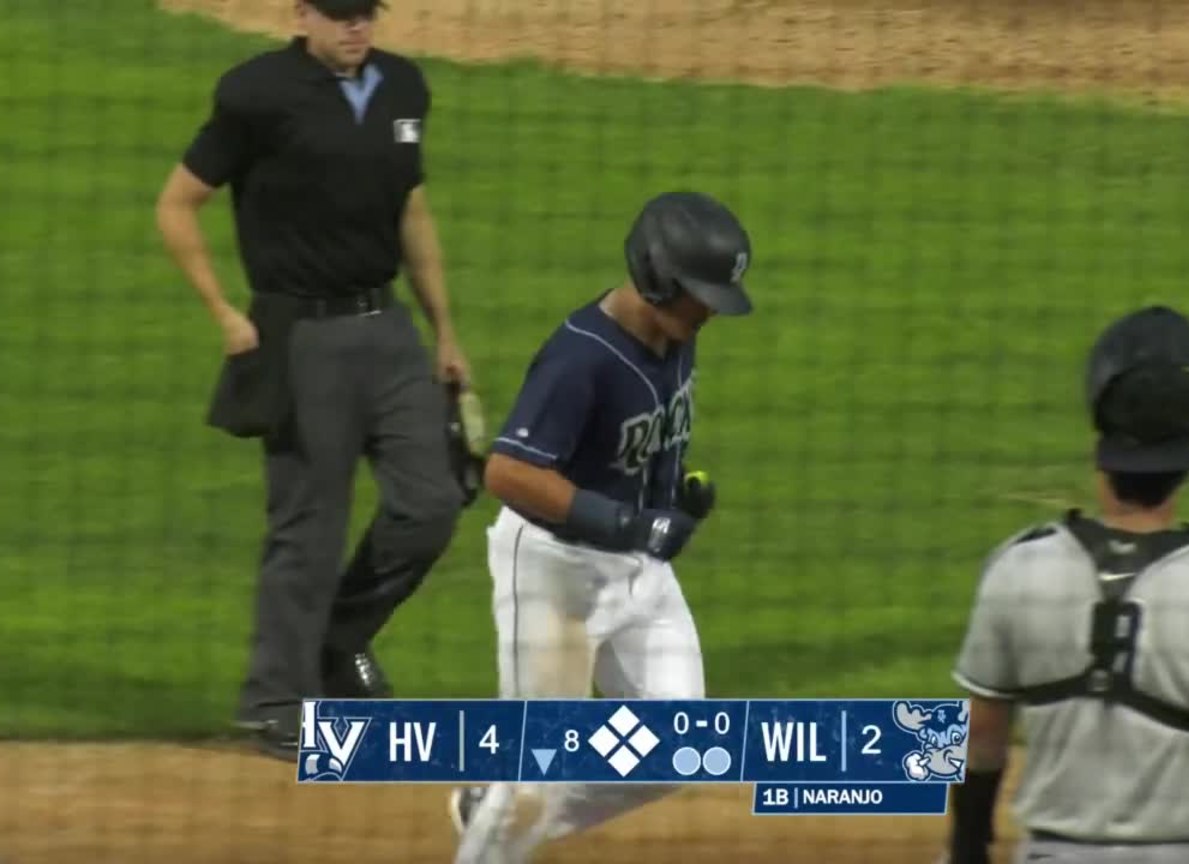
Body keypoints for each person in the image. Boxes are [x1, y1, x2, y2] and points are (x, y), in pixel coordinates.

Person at [153, 0, 473, 760]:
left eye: (367, 13)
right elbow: (177, 204)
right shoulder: (257, 94)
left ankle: (338, 640)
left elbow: (412, 212)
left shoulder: (402, 88)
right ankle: (273, 702)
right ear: (302, 16)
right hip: (301, 336)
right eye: (339, 14)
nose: (356, 26)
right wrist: (224, 312)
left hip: (388, 331)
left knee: (432, 503)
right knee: (310, 529)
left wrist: (444, 331)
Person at [447, 191, 754, 863]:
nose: (708, 311)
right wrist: (626, 522)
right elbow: (506, 472)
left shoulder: (674, 337)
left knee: (682, 750)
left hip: (637, 572)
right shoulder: (580, 357)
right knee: (537, 771)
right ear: (655, 277)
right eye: (698, 295)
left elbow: (643, 451)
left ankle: (494, 809)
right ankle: (502, 823)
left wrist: (674, 504)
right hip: (555, 576)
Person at [942, 305, 1189, 864]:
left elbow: (979, 733)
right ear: (1187, 467)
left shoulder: (1017, 572)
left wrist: (965, 850)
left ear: (1098, 454)